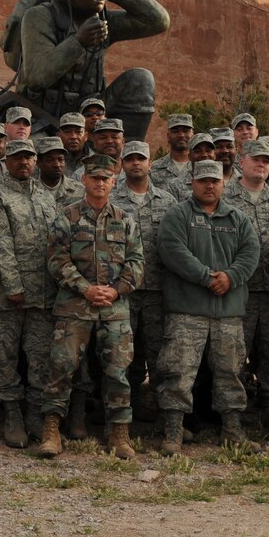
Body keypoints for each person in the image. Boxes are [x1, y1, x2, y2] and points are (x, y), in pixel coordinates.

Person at [39, 154, 144, 459]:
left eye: (106, 178)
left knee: (118, 372)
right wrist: (86, 289)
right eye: (94, 177)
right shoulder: (67, 217)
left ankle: (119, 433)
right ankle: (51, 430)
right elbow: (56, 259)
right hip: (74, 306)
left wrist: (114, 290)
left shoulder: (125, 221)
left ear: (114, 182)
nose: (100, 183)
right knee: (62, 367)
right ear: (83, 180)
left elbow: (137, 264)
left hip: (114, 309)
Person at [154, 159, 261, 455]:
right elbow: (171, 249)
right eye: (203, 180)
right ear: (192, 183)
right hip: (187, 310)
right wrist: (205, 277)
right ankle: (173, 431)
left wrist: (230, 277)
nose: (209, 185)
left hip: (228, 311)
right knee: (178, 372)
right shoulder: (177, 215)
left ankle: (232, 429)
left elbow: (251, 252)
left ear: (223, 183)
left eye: (214, 180)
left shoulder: (238, 218)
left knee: (231, 372)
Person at [16, 0, 169, 140]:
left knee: (141, 80)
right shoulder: (40, 16)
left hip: (89, 114)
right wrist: (78, 41)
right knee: (42, 155)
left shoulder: (103, 20)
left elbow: (157, 20)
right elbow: (37, 76)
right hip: (42, 118)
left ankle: (128, 155)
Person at [0, 139, 59, 447]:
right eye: (17, 158)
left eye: (28, 157)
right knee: (5, 357)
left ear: (35, 160)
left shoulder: (45, 196)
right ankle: (12, 414)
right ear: (7, 162)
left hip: (43, 294)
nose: (23, 162)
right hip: (6, 297)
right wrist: (13, 286)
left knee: (39, 357)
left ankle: (35, 414)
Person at [221, 139, 269, 427]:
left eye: (267, 160)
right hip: (239, 291)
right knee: (235, 354)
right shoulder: (224, 199)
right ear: (241, 161)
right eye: (256, 159)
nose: (262, 164)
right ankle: (233, 414)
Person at [110, 141, 177, 423]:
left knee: (159, 354)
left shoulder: (168, 201)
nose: (136, 163)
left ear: (151, 163)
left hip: (158, 290)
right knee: (123, 355)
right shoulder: (112, 201)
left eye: (141, 158)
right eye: (130, 159)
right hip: (124, 291)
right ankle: (125, 413)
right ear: (122, 164)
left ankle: (163, 413)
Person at [151, 113, 194, 189]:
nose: (181, 135)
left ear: (193, 135)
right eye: (175, 131)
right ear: (168, 136)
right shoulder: (153, 169)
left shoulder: (200, 167)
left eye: (185, 131)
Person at [36, 136, 84, 204]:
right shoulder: (30, 190)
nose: (57, 165)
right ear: (38, 162)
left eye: (60, 159)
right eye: (50, 160)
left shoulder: (80, 190)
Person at [57, 112, 88, 176]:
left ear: (86, 136)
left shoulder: (96, 160)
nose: (73, 136)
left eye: (78, 132)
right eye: (67, 132)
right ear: (59, 136)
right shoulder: (50, 161)